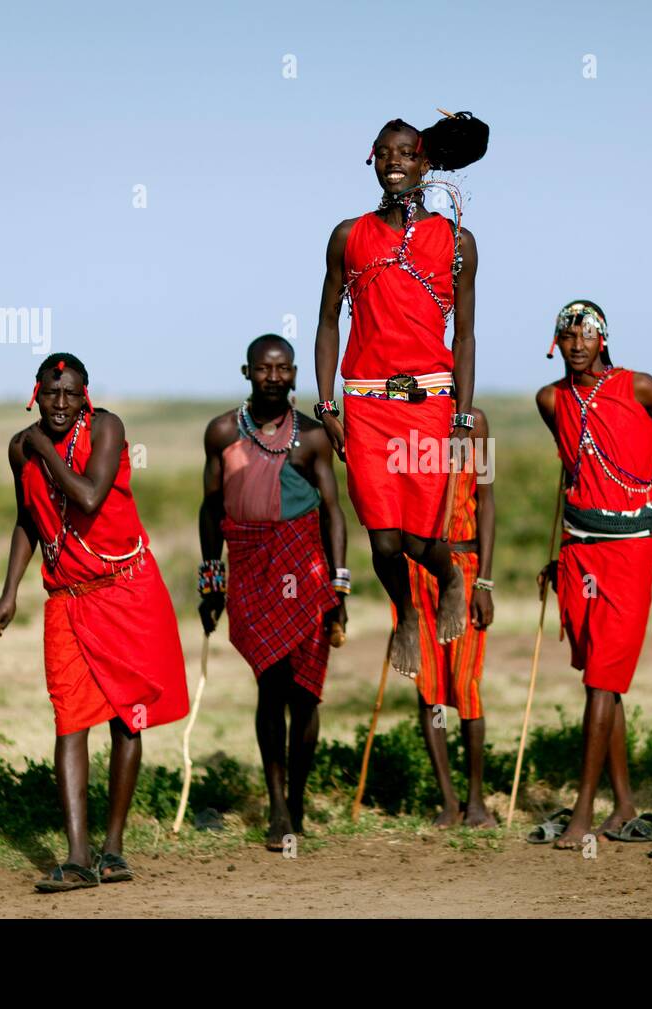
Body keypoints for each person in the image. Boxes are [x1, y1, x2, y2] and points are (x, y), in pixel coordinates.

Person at [0, 353, 189, 892]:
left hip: (128, 591)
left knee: (129, 716)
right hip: (68, 597)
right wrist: (8, 591)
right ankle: (77, 857)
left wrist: (41, 450)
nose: (59, 404)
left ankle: (113, 850)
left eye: (70, 395)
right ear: (36, 392)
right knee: (70, 718)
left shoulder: (107, 428)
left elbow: (89, 496)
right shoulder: (20, 448)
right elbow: (28, 519)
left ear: (85, 396)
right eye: (50, 394)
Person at [314, 110, 488, 677]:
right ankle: (406, 614)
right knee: (384, 543)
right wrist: (326, 405)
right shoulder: (348, 235)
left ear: (426, 162)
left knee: (419, 539)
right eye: (385, 152)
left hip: (431, 403)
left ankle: (452, 579)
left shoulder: (457, 241)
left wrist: (462, 415)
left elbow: (463, 334)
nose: (395, 161)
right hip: (365, 405)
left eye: (407, 153)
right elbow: (326, 324)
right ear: (372, 159)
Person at [535, 300, 652, 849]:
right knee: (598, 675)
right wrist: (555, 554)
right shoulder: (550, 400)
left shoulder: (641, 388)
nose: (578, 343)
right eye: (569, 335)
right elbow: (571, 466)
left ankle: (584, 813)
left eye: (588, 334)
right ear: (556, 343)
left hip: (630, 549)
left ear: (604, 339)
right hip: (578, 550)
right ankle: (625, 804)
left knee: (603, 679)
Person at [199, 334, 348, 850]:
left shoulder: (311, 437)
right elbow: (210, 509)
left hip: (305, 567)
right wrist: (210, 581)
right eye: (265, 369)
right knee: (271, 684)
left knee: (306, 694)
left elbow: (333, 512)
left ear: (294, 374)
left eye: (283, 369)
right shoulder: (221, 432)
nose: (274, 378)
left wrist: (339, 585)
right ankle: (278, 806)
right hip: (249, 567)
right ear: (247, 373)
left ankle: (298, 800)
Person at [398, 406, 496, 828]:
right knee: (431, 686)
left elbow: (487, 501)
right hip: (418, 570)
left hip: (466, 564)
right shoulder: (403, 423)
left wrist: (485, 583)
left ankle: (477, 801)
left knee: (465, 684)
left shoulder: (475, 422)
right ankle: (448, 800)